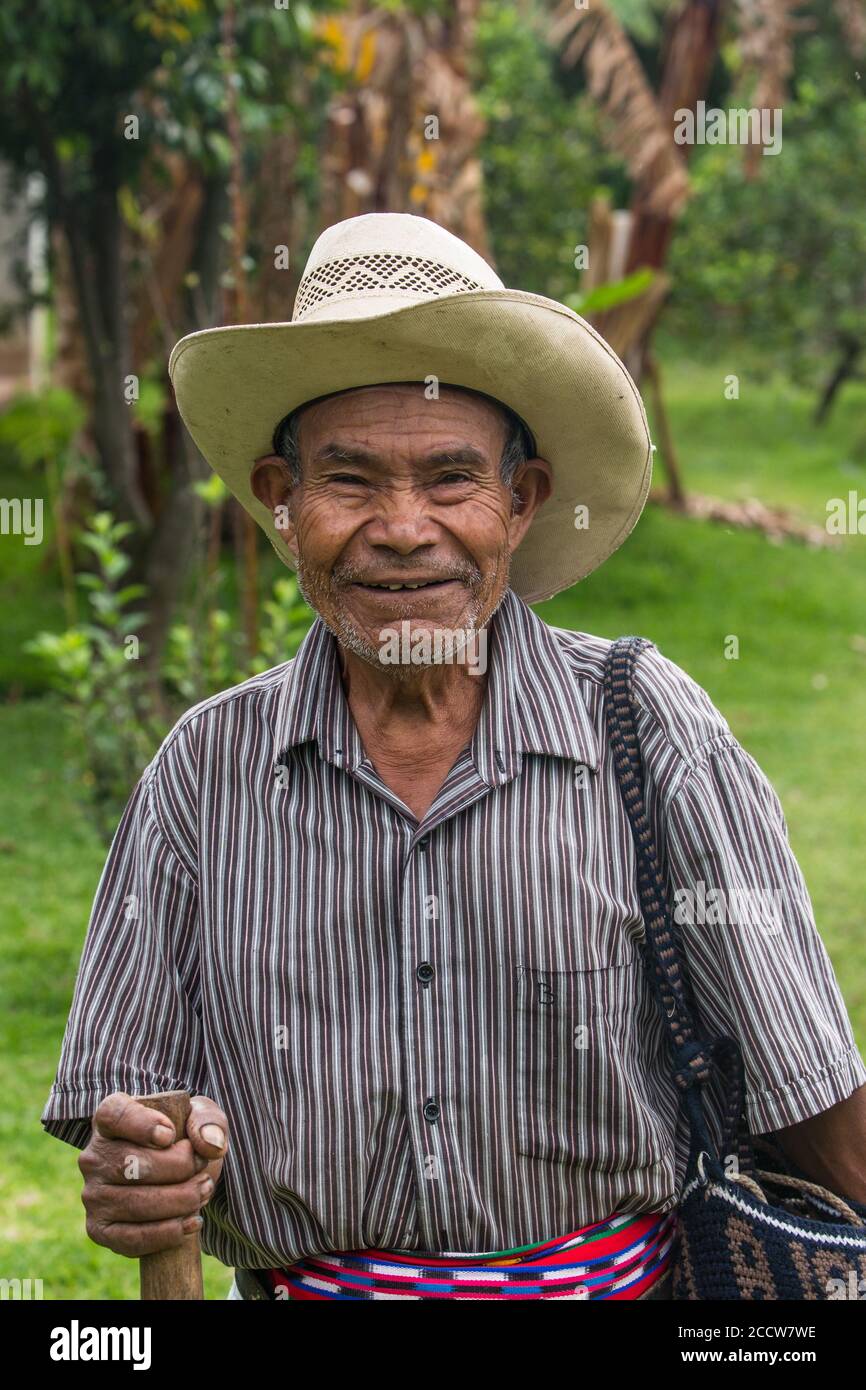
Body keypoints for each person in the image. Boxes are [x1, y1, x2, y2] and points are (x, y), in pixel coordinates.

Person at [42, 213, 866, 1301]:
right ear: (281, 504)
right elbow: (127, 1104)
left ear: (518, 502)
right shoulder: (203, 773)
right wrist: (135, 1165)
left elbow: (814, 1105)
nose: (400, 527)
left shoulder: (647, 728)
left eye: (448, 479)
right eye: (346, 481)